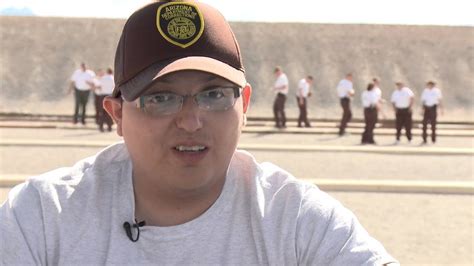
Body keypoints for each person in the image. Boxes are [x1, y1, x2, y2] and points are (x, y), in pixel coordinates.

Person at [0, 1, 399, 265]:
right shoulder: (41, 218)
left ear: (244, 106)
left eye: (213, 94)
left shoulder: (296, 221)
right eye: (160, 99)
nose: (191, 121)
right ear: (117, 115)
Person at [92, 67, 115, 132]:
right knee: (109, 112)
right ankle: (109, 127)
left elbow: (99, 86)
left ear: (107, 72)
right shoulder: (113, 78)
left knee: (102, 112)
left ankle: (101, 127)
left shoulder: (103, 78)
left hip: (102, 96)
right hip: (110, 96)